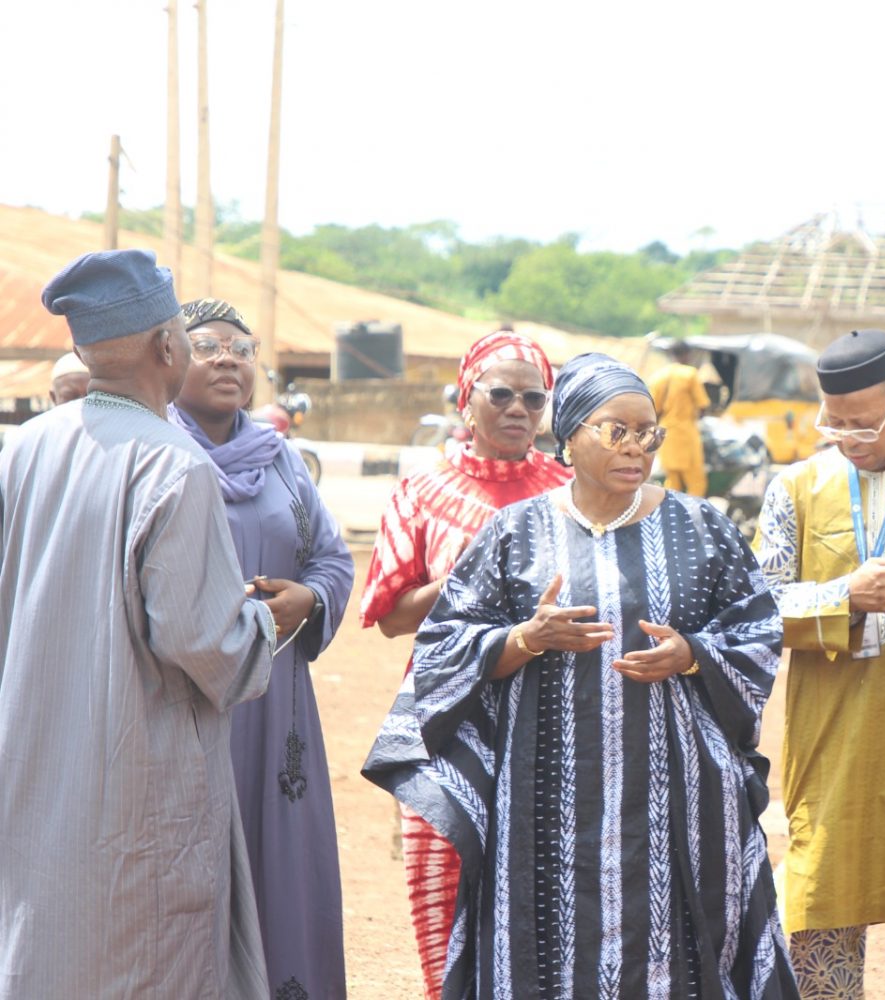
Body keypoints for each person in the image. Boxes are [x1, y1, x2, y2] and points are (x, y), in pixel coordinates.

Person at [363, 353, 798, 998]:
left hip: (677, 802)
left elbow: (759, 633)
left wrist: (693, 653)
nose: (636, 448)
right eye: (615, 431)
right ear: (568, 435)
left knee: (672, 962)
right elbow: (442, 645)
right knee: (544, 958)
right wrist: (522, 639)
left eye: (648, 432)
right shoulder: (515, 533)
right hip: (539, 806)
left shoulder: (703, 528)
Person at [0, 249, 274, 996]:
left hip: (30, 773)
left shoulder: (23, 449)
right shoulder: (173, 464)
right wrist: (262, 625)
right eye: (184, 334)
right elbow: (201, 641)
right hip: (134, 791)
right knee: (143, 959)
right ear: (165, 348)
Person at [361, 329, 571, 998]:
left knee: (544, 900)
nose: (518, 409)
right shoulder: (423, 492)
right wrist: (462, 571)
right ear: (466, 398)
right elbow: (392, 616)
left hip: (550, 719)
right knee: (443, 889)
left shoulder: (571, 490)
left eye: (533, 398)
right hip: (445, 723)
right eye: (501, 393)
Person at [753, 328, 885, 999]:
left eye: (863, 423)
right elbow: (757, 611)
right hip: (833, 748)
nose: (847, 437)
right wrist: (847, 595)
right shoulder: (797, 488)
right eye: (834, 423)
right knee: (820, 948)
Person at [169, 296, 355, 998]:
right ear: (169, 357)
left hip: (276, 707)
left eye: (241, 350)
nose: (227, 359)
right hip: (182, 699)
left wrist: (308, 599)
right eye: (208, 346)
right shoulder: (151, 452)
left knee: (282, 867)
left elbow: (332, 559)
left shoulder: (281, 462)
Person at [648, 339, 710, 495]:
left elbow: (653, 410)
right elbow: (703, 405)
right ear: (687, 355)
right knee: (696, 482)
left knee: (673, 481)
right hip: (686, 434)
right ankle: (695, 517)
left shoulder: (658, 377)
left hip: (666, 434)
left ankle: (673, 516)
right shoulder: (690, 374)